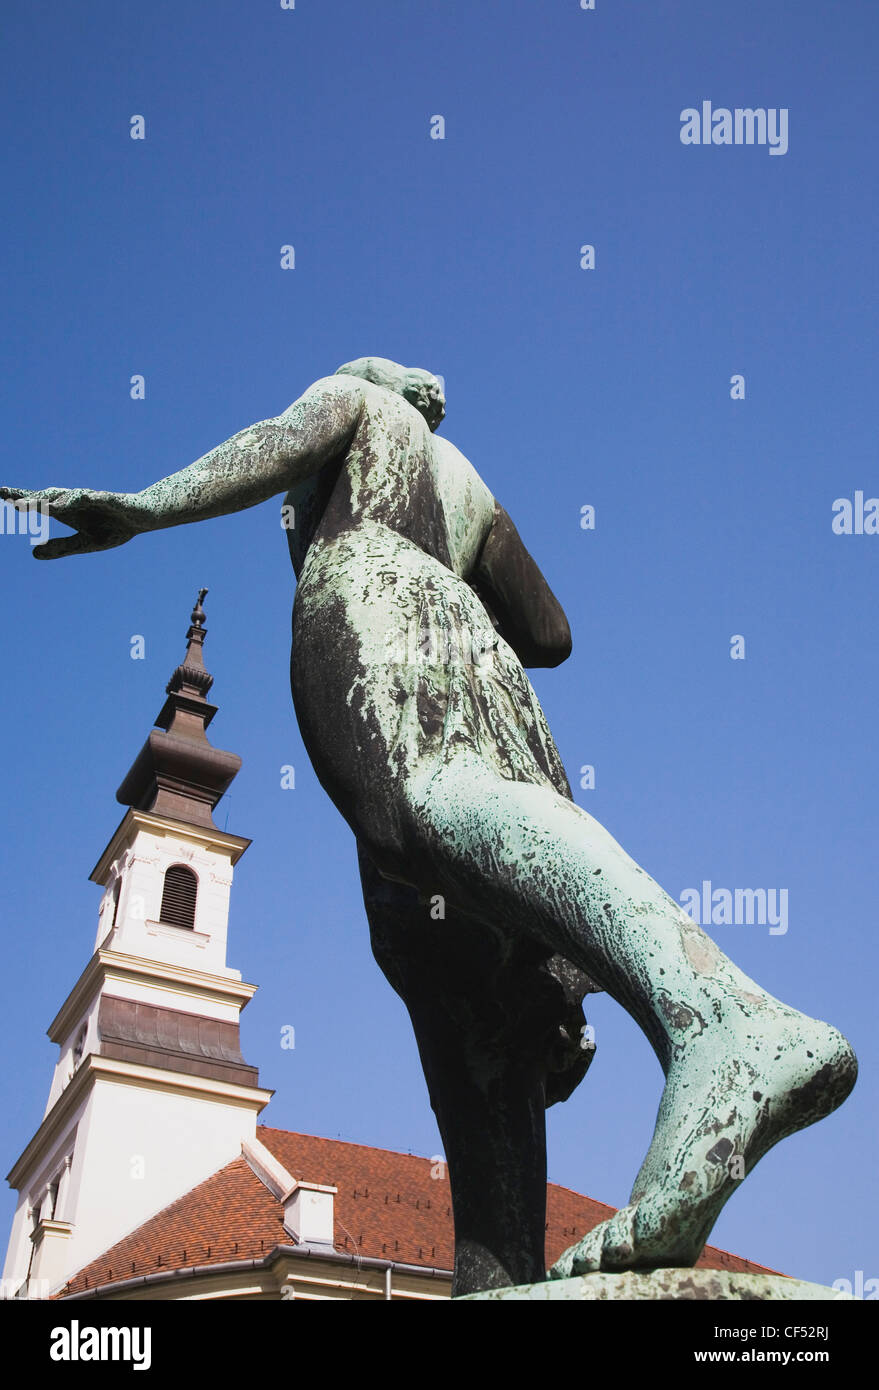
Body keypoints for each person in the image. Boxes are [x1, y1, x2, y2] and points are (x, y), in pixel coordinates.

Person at [1, 356, 857, 1293]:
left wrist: (142, 508)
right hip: (483, 667)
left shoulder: (354, 400)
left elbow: (266, 450)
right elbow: (549, 634)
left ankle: (725, 1019)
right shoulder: (467, 482)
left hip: (370, 604)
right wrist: (455, 555)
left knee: (422, 808)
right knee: (468, 995)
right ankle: (501, 1276)